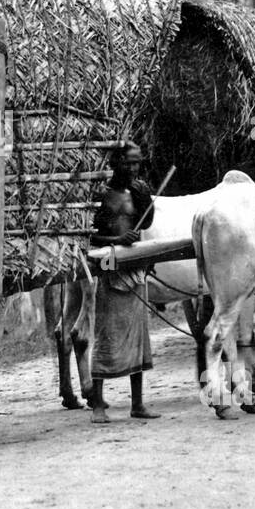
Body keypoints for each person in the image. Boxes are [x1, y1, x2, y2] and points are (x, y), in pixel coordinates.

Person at [87, 143, 161, 424]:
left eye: (137, 163)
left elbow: (146, 221)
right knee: (107, 338)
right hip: (111, 271)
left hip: (135, 272)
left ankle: (138, 404)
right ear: (117, 163)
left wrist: (146, 198)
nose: (134, 168)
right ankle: (98, 406)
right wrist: (116, 241)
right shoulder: (102, 196)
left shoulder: (136, 192)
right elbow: (90, 238)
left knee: (139, 340)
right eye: (129, 163)